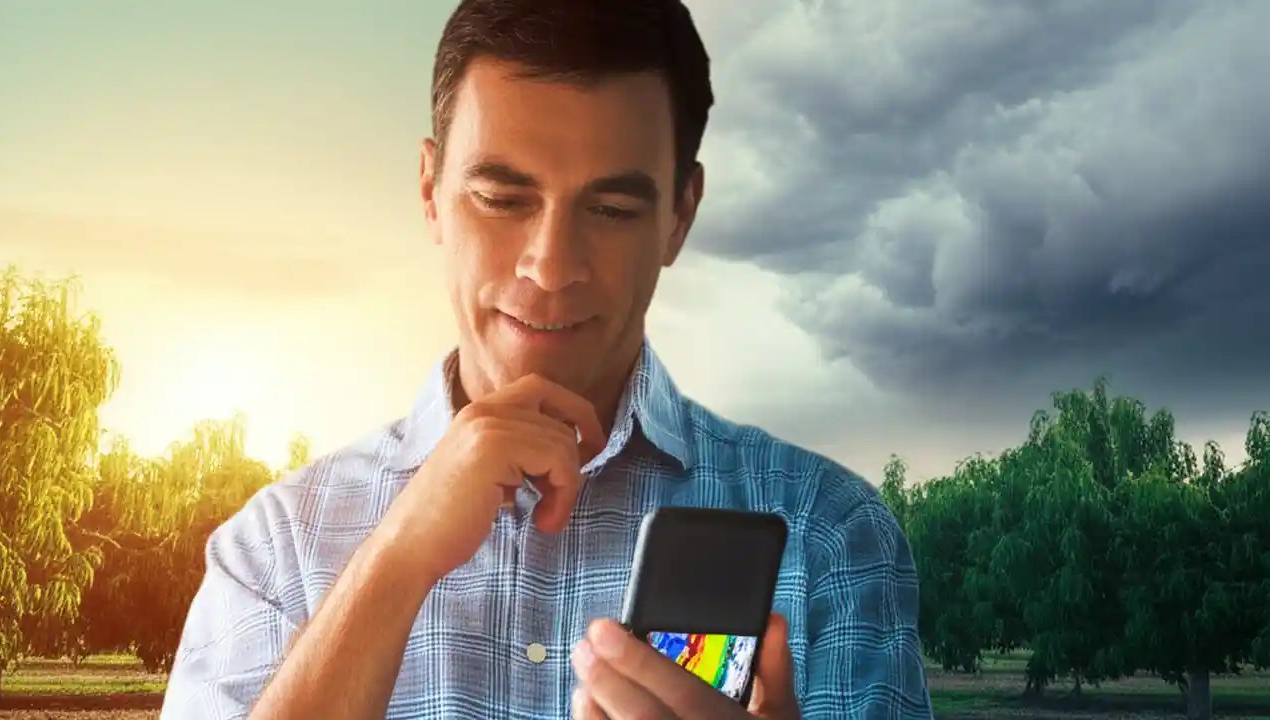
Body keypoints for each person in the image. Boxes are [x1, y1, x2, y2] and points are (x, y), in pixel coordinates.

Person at [160, 0, 933, 717]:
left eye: (612, 210)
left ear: (680, 217)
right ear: (430, 190)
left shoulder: (830, 537)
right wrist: (391, 566)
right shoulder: (273, 551)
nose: (550, 266)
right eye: (502, 199)